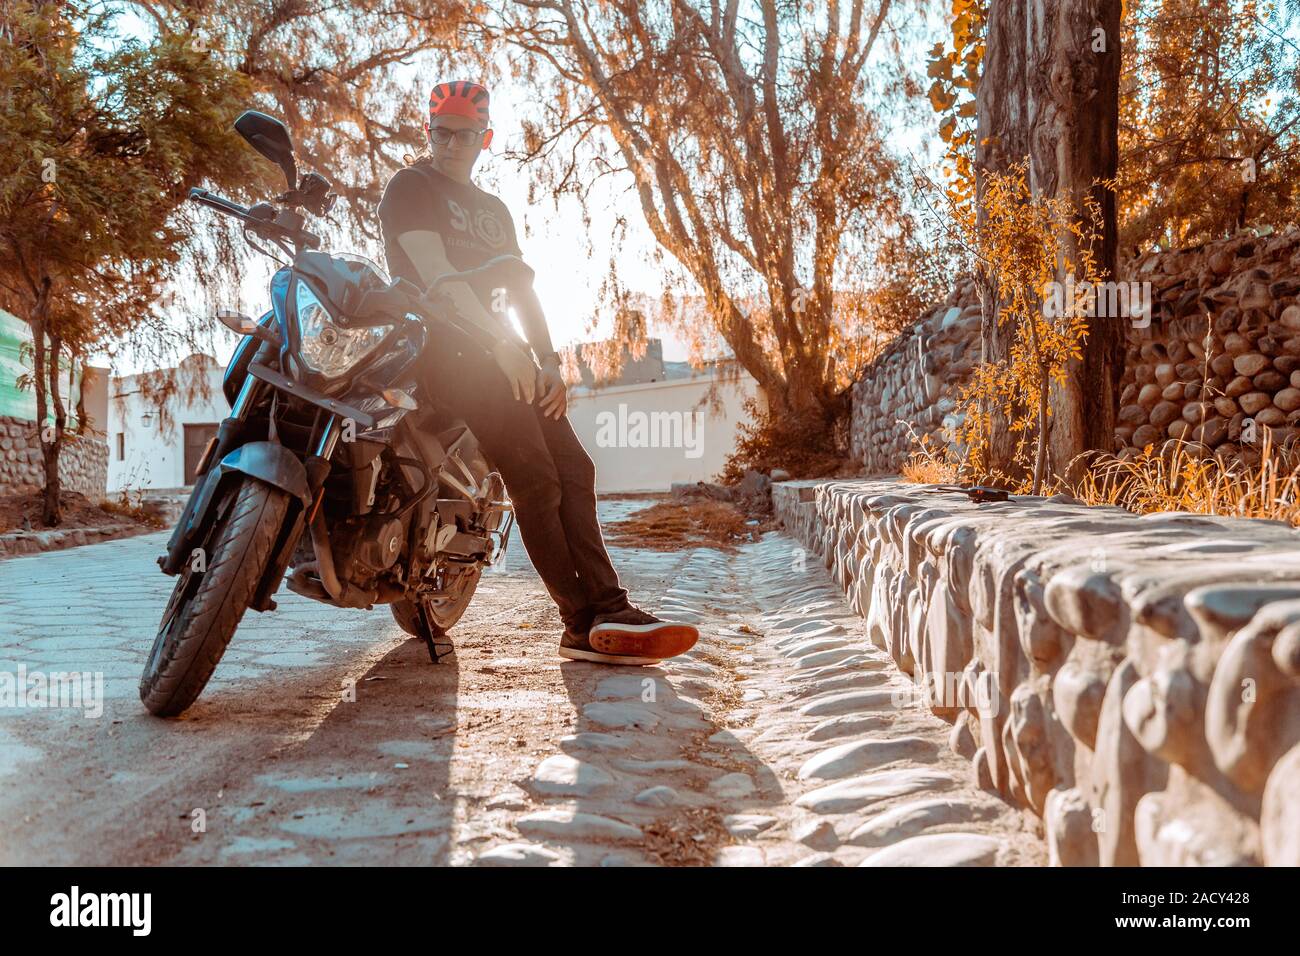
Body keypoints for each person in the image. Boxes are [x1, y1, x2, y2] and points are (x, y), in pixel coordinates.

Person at [378, 80, 699, 666]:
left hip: (503, 358)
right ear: (428, 133)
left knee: (575, 467)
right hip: (445, 357)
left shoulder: (493, 211)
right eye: (441, 133)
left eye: (465, 134)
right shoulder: (411, 186)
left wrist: (548, 362)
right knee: (537, 479)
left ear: (485, 138)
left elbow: (520, 290)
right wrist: (499, 346)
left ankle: (609, 606)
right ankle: (579, 623)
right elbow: (438, 279)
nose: (452, 143)